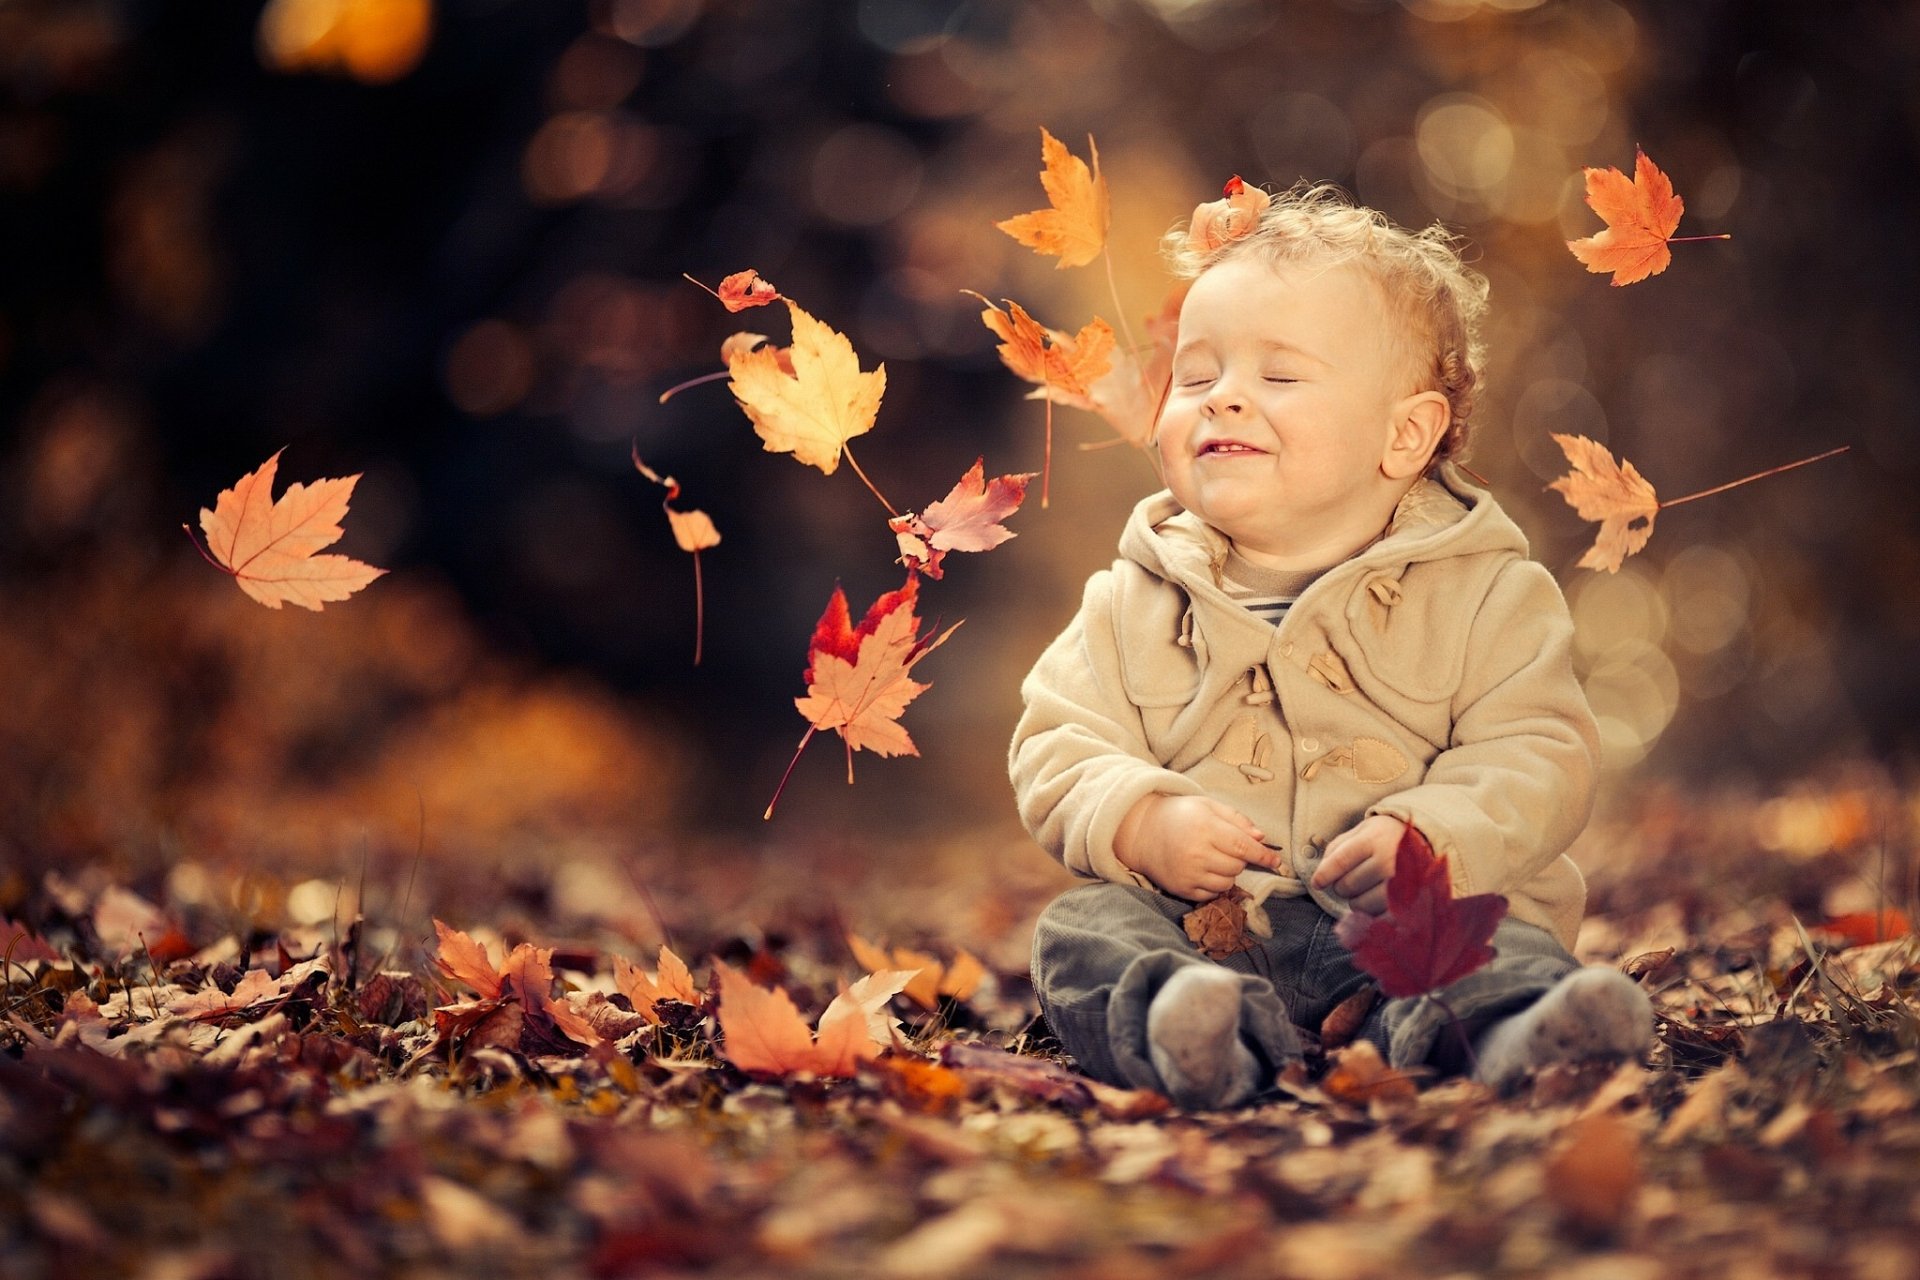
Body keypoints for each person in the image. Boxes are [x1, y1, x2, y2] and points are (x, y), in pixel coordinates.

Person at [1010, 182, 1652, 1109]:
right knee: (1082, 931)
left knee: (1498, 940)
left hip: (1410, 925)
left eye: (1278, 376)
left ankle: (1521, 1031)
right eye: (1197, 377)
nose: (1224, 400)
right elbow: (1055, 740)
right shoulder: (1132, 597)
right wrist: (1141, 820)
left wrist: (1431, 836)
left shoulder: (1489, 594)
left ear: (1404, 435)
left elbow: (1540, 752)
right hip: (1207, 927)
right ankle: (1194, 1030)